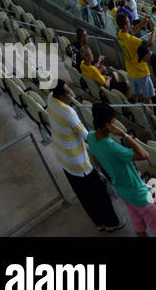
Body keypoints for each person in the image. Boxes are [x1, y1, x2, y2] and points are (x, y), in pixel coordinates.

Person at [48, 80, 123, 231]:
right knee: (99, 193)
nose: (71, 95)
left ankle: (98, 223)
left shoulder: (50, 98)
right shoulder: (68, 113)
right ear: (61, 96)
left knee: (84, 196)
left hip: (63, 158)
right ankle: (112, 223)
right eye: (68, 93)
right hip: (78, 163)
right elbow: (87, 136)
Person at [86, 102, 156, 236]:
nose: (115, 122)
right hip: (138, 193)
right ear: (108, 125)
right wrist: (125, 135)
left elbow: (95, 160)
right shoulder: (113, 148)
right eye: (113, 121)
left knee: (138, 225)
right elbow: (145, 155)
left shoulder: (91, 137)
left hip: (122, 190)